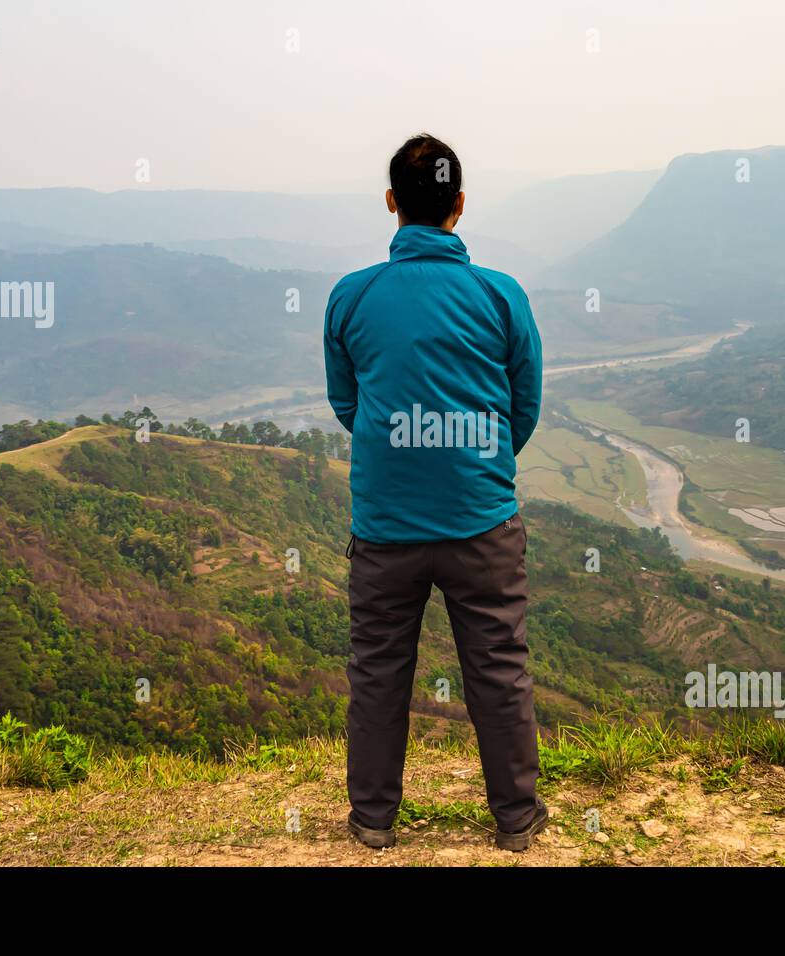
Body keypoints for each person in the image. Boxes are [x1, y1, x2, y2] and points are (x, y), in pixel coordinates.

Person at [323, 133, 546, 852]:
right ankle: (515, 821)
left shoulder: (350, 296)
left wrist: (404, 453)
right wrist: (471, 463)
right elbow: (522, 409)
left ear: (391, 202)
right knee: (499, 669)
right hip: (481, 523)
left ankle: (373, 821)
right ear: (459, 205)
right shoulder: (501, 295)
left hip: (385, 527)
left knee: (380, 672)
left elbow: (349, 405)